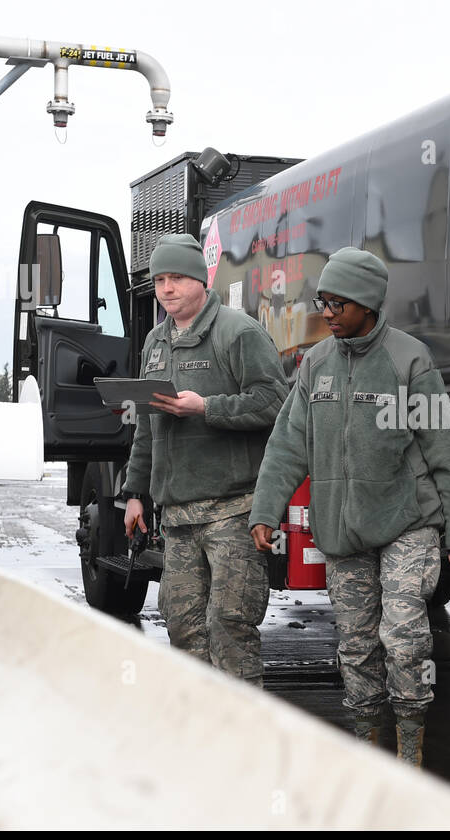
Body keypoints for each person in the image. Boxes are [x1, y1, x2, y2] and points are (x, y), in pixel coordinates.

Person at [249, 247, 450, 766]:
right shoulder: (316, 364)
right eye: (321, 301)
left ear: (368, 304)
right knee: (356, 648)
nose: (325, 312)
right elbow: (288, 443)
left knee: (403, 640)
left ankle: (411, 753)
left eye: (336, 303)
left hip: (408, 523)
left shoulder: (409, 360)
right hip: (342, 529)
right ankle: (368, 752)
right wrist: (266, 510)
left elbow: (445, 448)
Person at [122, 233, 288, 686]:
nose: (166, 289)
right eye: (159, 280)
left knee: (230, 625)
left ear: (200, 279)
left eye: (176, 278)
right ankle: (202, 736)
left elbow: (276, 403)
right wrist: (135, 494)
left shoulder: (238, 332)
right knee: (182, 625)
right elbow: (145, 425)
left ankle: (242, 736)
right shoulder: (155, 343)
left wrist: (207, 408)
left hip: (232, 510)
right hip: (177, 515)